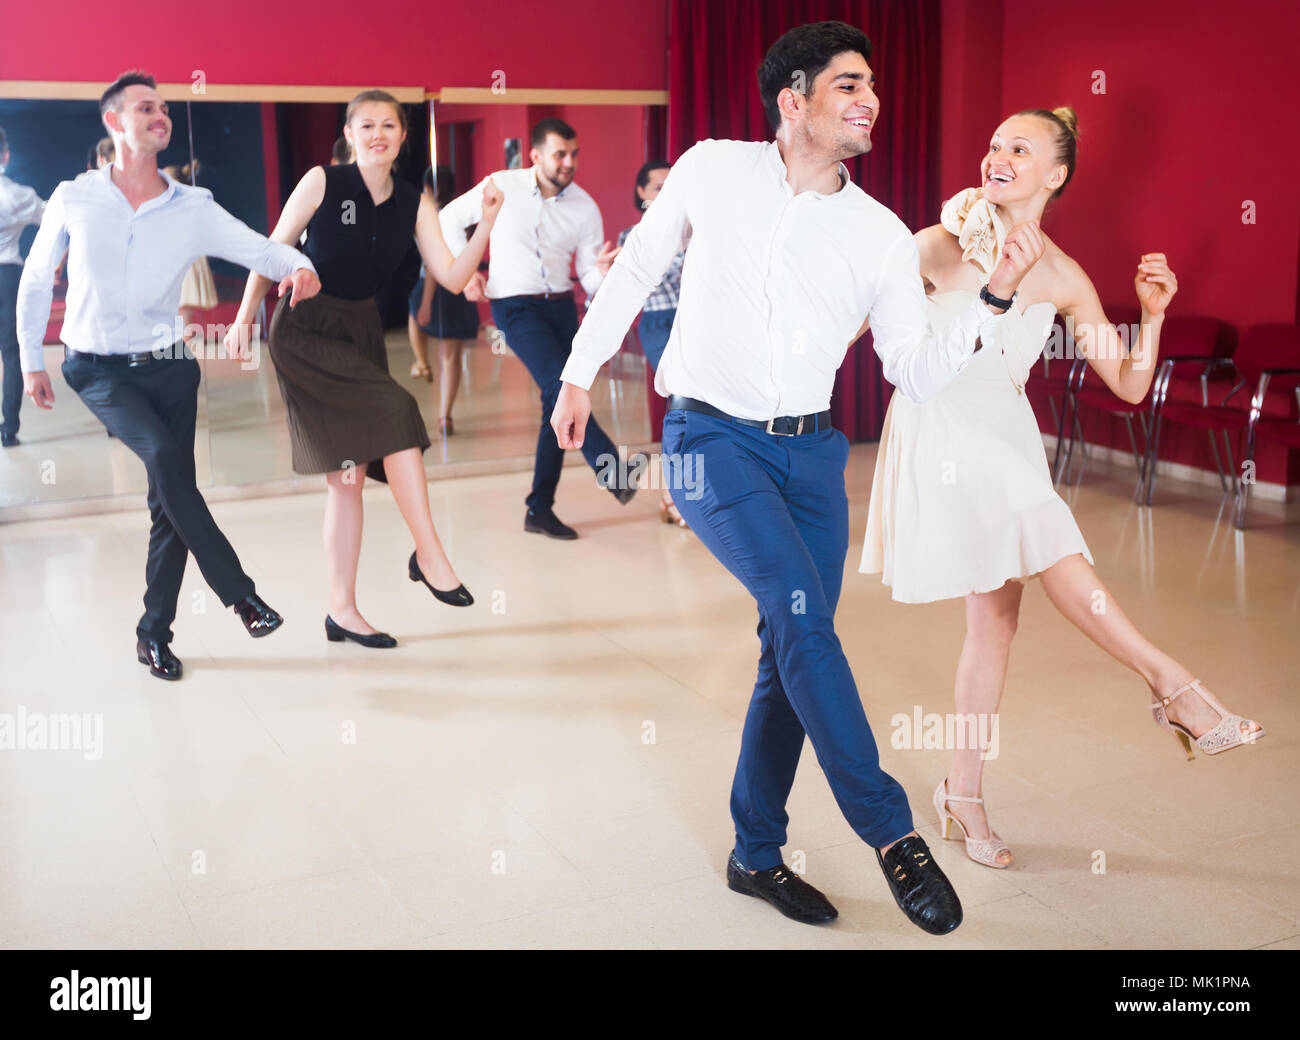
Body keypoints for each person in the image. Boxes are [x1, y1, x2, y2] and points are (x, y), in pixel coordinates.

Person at [552, 21, 1045, 933]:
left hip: (813, 458)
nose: (871, 101)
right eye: (849, 84)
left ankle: (754, 853)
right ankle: (893, 835)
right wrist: (578, 372)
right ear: (795, 99)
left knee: (789, 650)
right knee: (805, 622)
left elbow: (914, 368)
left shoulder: (883, 234)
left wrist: (994, 299)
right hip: (707, 441)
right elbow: (636, 272)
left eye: (873, 86)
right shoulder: (709, 169)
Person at [860, 106, 1263, 870]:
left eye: (1020, 146)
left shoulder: (1066, 275)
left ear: (1056, 174)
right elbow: (863, 333)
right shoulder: (933, 246)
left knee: (995, 627)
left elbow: (1130, 383)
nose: (997, 154)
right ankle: (1172, 685)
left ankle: (962, 792)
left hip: (1006, 435)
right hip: (940, 427)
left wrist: (1152, 316)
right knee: (1045, 529)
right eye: (993, 143)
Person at [17, 70, 320, 681]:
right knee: (162, 458)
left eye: (163, 107)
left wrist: (300, 263)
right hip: (97, 369)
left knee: (167, 504)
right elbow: (33, 278)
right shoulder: (75, 197)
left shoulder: (192, 208)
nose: (160, 115)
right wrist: (29, 359)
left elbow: (260, 249)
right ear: (113, 122)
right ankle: (241, 595)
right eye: (145, 107)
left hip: (172, 368)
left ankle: (153, 634)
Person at [225, 90, 501, 649]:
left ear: (402, 136)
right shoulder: (322, 182)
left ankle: (342, 612)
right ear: (349, 135)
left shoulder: (413, 201)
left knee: (347, 479)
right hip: (306, 331)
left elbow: (450, 276)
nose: (379, 134)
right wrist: (242, 319)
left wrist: (486, 225)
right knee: (399, 409)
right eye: (366, 125)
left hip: (361, 331)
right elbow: (271, 251)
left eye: (390, 126)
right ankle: (430, 554)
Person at [438, 117, 626, 540]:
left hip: (561, 307)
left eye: (574, 154)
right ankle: (613, 470)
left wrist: (600, 272)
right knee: (563, 388)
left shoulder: (585, 207)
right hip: (515, 307)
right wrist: (466, 273)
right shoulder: (501, 185)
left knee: (554, 406)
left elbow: (588, 278)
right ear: (536, 155)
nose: (569, 163)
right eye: (560, 154)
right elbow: (449, 218)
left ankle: (539, 509)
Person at [620, 160, 688, 526]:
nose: (665, 192)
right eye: (658, 186)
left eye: (670, 185)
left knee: (703, 409)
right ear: (642, 194)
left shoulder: (693, 230)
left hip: (697, 322)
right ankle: (674, 494)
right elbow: (653, 279)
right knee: (683, 405)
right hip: (661, 324)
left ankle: (677, 496)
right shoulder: (631, 236)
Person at [407, 165, 480, 435]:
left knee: (415, 314)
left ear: (427, 189)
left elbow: (431, 265)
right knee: (451, 356)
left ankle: (422, 362)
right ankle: (445, 417)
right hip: (460, 284)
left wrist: (426, 302)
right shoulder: (464, 211)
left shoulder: (428, 217)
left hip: (437, 281)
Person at [0, 126, 47, 448]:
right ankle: (9, 428)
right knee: (11, 352)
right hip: (7, 275)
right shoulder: (17, 194)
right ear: (5, 154)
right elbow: (54, 220)